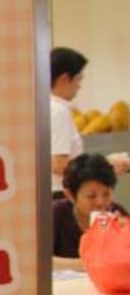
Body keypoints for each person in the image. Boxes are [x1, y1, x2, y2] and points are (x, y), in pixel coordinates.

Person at [50, 47, 130, 195]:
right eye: (78, 79)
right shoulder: (58, 111)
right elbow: (58, 165)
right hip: (61, 193)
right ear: (64, 79)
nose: (79, 86)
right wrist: (106, 165)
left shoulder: (47, 108)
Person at [53, 153, 127, 270]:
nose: (100, 202)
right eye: (91, 196)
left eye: (106, 194)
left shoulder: (116, 212)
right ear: (70, 195)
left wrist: (125, 233)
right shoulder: (55, 214)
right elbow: (42, 260)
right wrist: (90, 264)